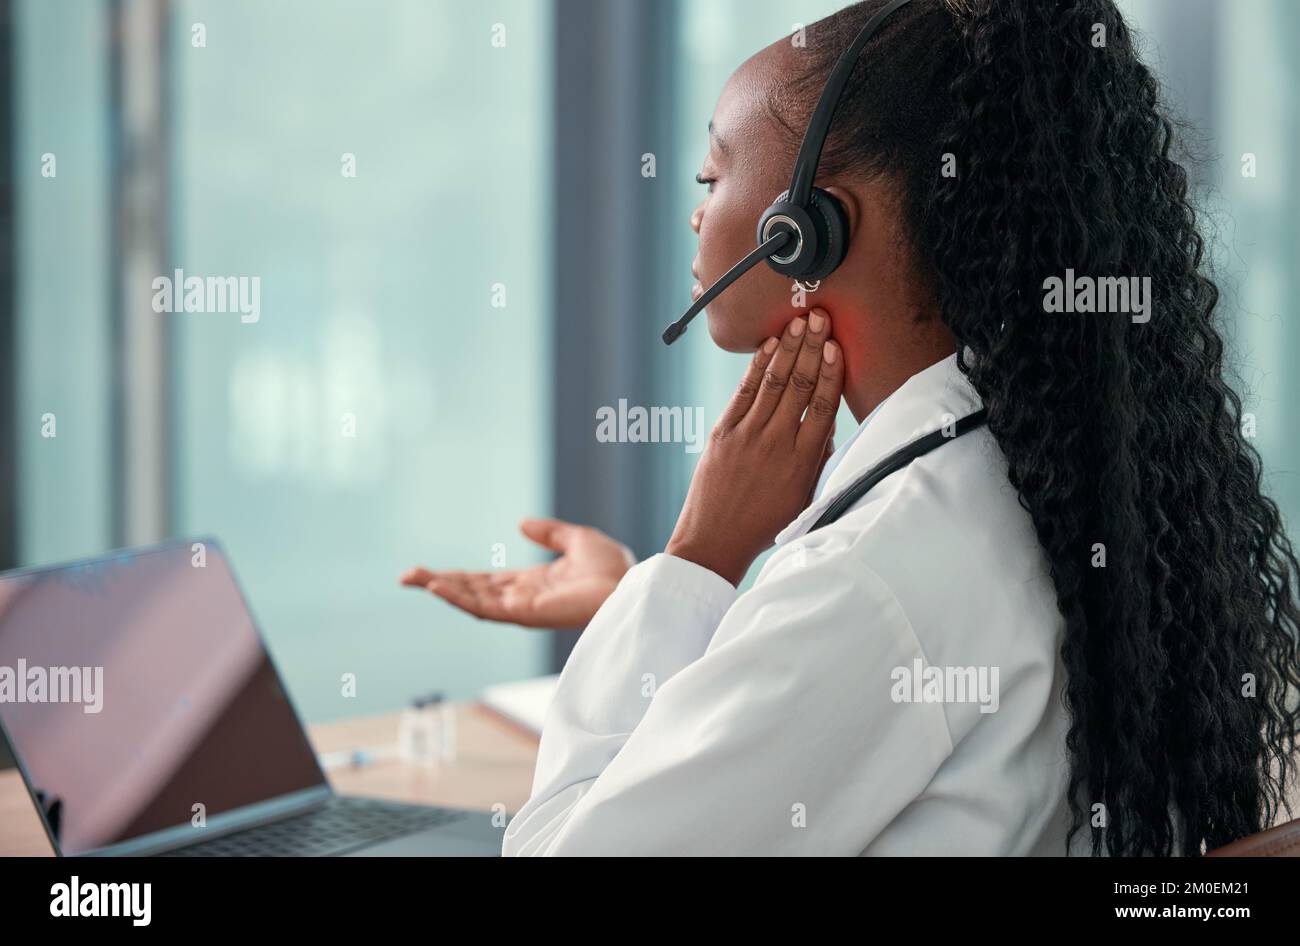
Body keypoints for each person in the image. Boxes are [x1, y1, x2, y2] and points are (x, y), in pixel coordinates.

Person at [402, 0, 1300, 855]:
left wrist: (699, 558)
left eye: (713, 176)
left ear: (807, 230)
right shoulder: (1031, 473)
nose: (694, 210)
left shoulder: (875, 576)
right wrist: (654, 605)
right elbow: (837, 693)